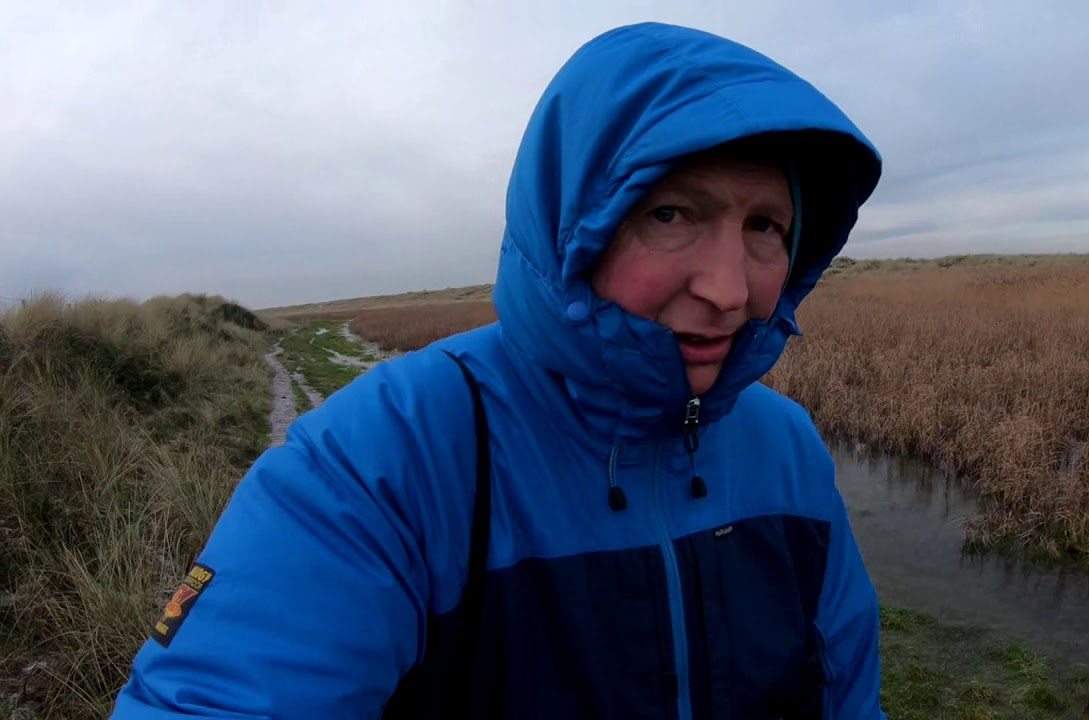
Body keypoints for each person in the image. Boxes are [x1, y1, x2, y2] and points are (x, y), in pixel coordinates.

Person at [111, 20, 885, 719]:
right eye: (671, 215)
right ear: (569, 228)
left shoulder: (787, 449)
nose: (728, 288)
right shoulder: (387, 455)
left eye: (765, 226)